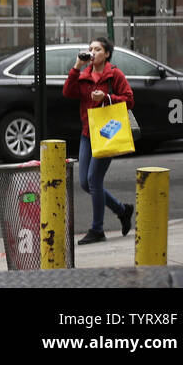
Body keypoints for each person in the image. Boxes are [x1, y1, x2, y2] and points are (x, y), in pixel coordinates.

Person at [63, 37, 135, 245]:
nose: (92, 52)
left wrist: (105, 97)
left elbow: (130, 99)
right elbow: (68, 92)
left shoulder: (115, 75)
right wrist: (77, 65)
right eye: (90, 48)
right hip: (88, 133)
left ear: (107, 54)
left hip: (108, 133)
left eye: (97, 49)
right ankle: (122, 210)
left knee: (94, 180)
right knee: (86, 183)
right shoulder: (83, 75)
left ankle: (97, 229)